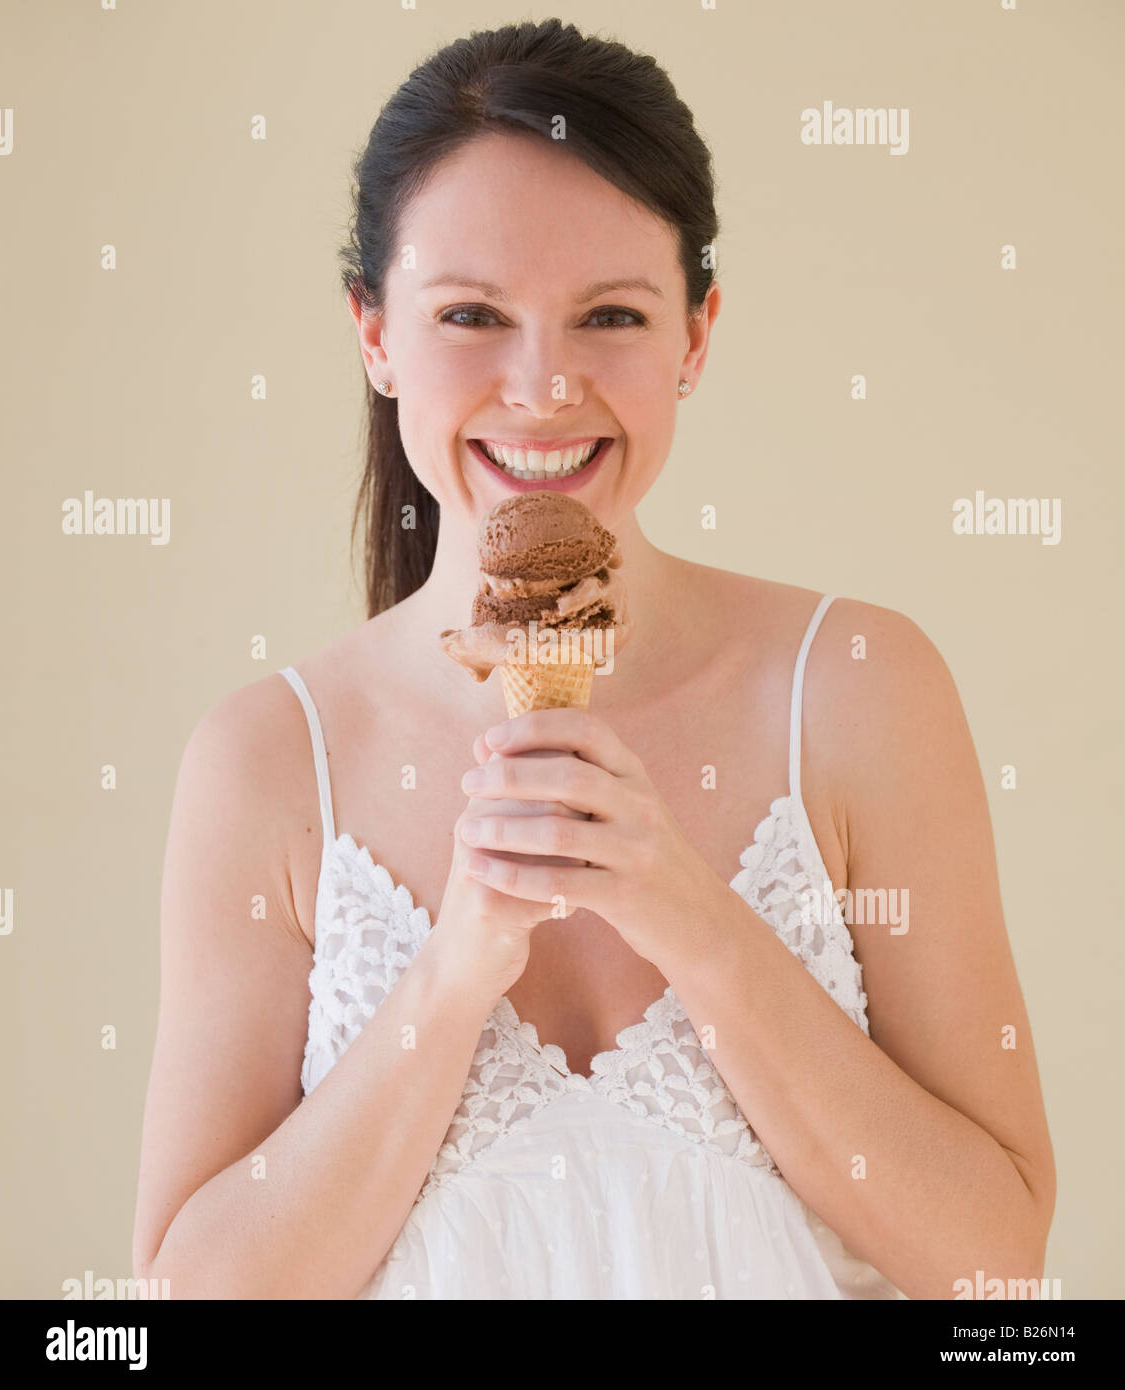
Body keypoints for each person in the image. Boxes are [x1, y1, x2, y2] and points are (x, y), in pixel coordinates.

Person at [132, 18, 1055, 1300]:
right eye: (470, 314)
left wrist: (696, 922)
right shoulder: (265, 758)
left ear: (695, 334)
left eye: (610, 315)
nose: (545, 387)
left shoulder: (856, 687)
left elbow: (996, 1264)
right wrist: (453, 979)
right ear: (374, 334)